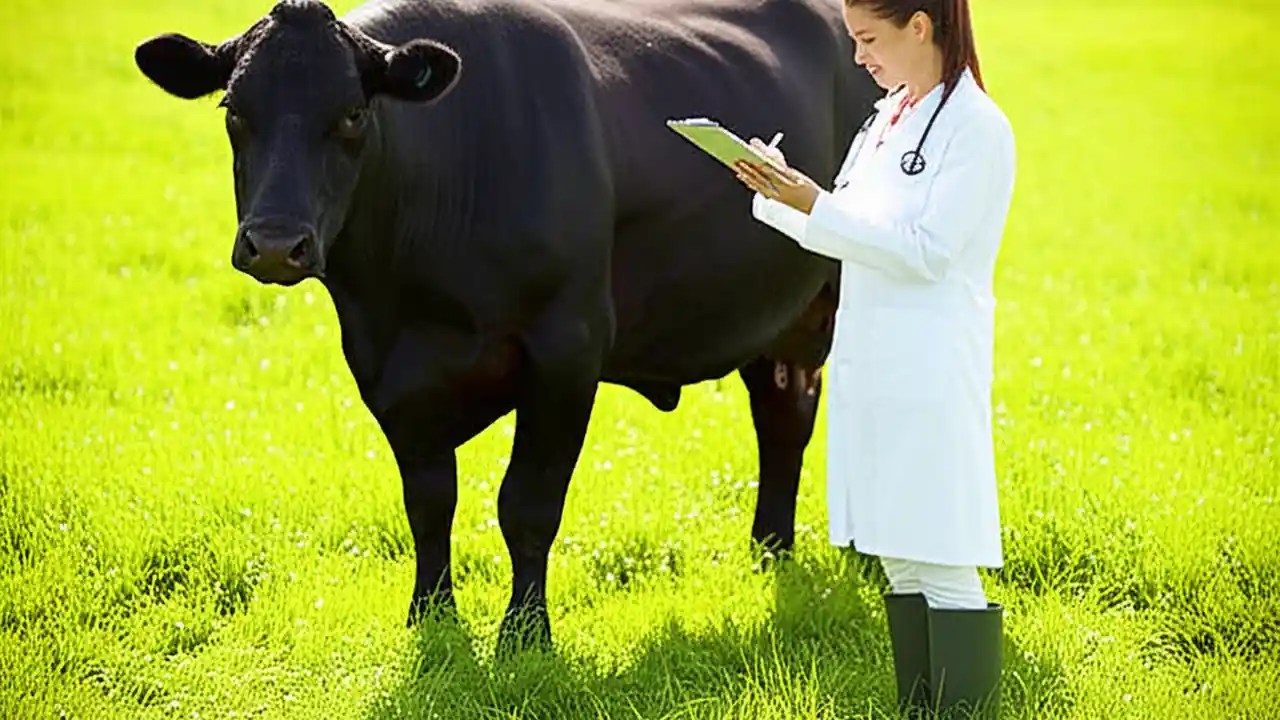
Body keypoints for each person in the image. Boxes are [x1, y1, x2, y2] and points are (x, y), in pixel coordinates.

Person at [732, 0, 1015, 717]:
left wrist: (815, 204)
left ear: (920, 26)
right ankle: (920, 708)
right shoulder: (886, 120)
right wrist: (778, 193)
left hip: (927, 372)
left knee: (943, 558)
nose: (858, 58)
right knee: (896, 555)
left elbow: (927, 253)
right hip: (868, 367)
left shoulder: (977, 129)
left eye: (867, 39)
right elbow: (846, 229)